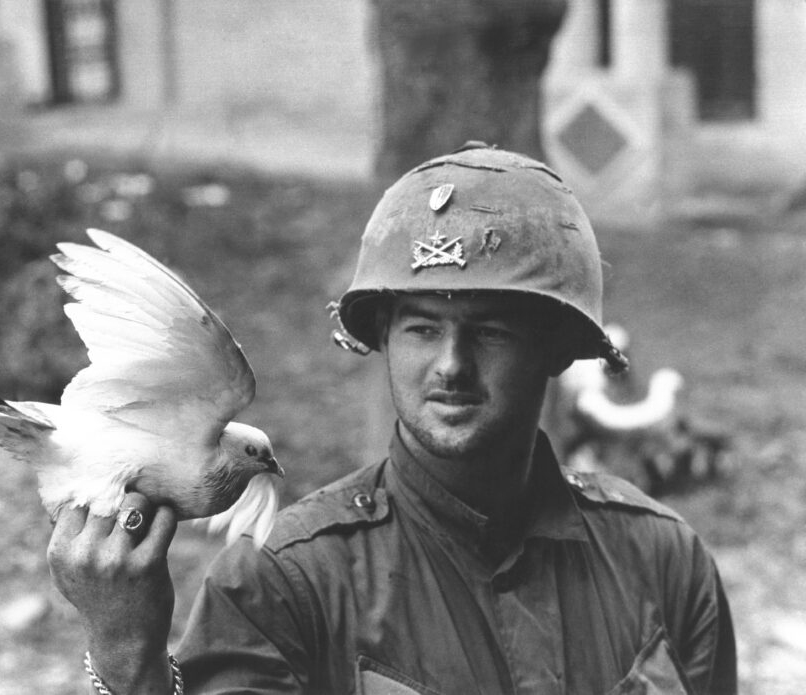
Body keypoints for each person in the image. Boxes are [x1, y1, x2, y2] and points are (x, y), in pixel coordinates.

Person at [47, 143, 737, 694]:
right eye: (422, 328)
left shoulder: (662, 561)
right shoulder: (286, 582)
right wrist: (129, 660)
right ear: (380, 338)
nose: (451, 365)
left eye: (491, 331)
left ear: (557, 349)